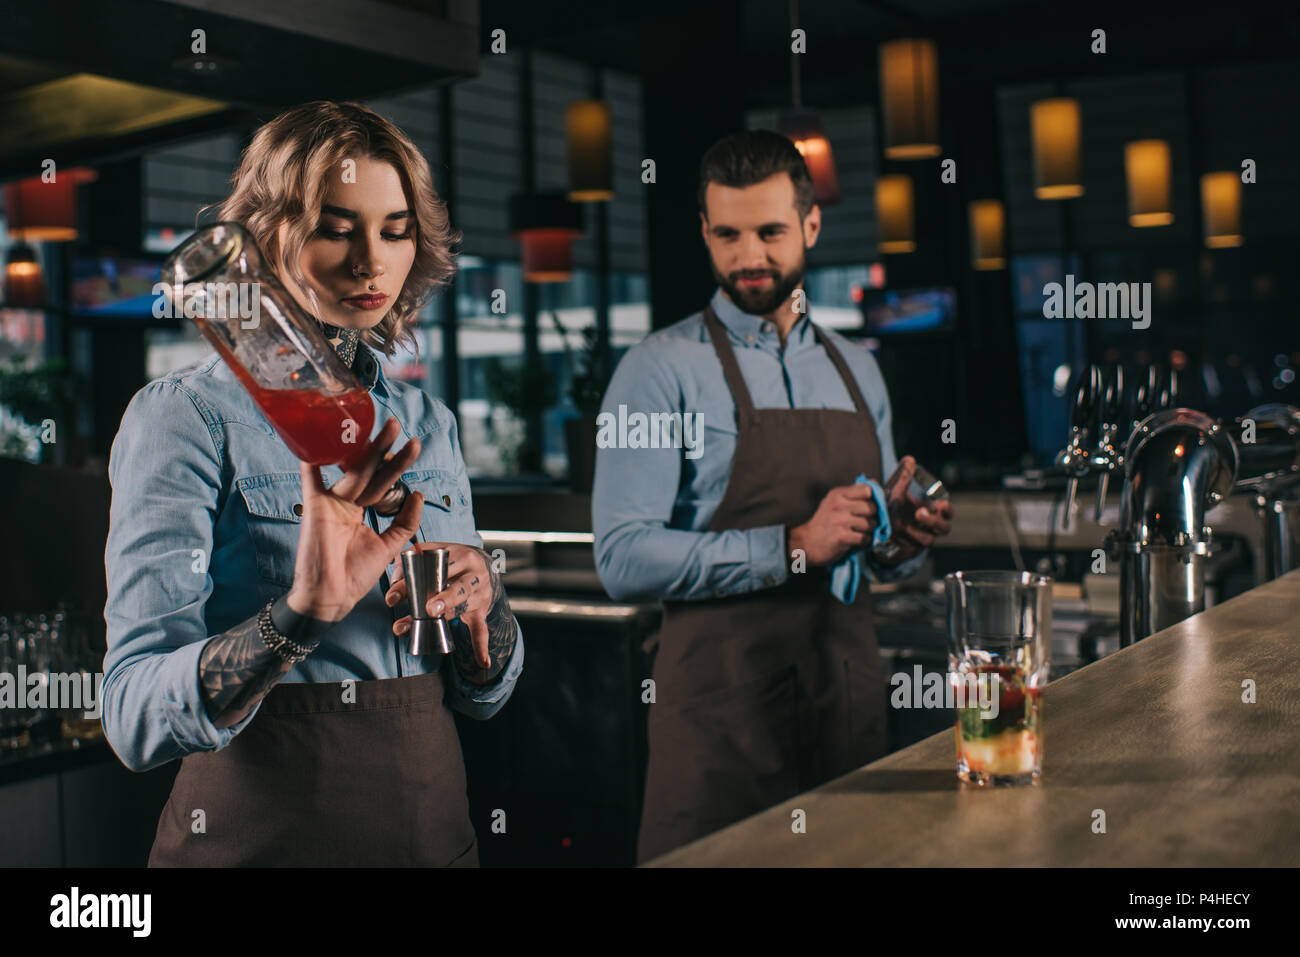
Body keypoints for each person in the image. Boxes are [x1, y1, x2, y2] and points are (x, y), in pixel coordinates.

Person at [102, 101, 523, 867]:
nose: (372, 261)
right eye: (336, 227)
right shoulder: (184, 417)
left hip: (436, 835)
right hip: (258, 841)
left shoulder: (431, 420)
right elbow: (131, 715)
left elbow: (485, 694)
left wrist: (484, 608)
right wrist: (298, 616)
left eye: (395, 229)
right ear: (265, 236)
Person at [592, 130, 954, 863]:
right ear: (703, 231)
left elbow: (874, 550)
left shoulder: (857, 368)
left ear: (812, 226)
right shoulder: (658, 370)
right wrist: (790, 546)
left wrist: (896, 537)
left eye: (770, 232)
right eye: (726, 234)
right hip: (719, 735)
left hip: (846, 720)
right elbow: (622, 556)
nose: (748, 256)